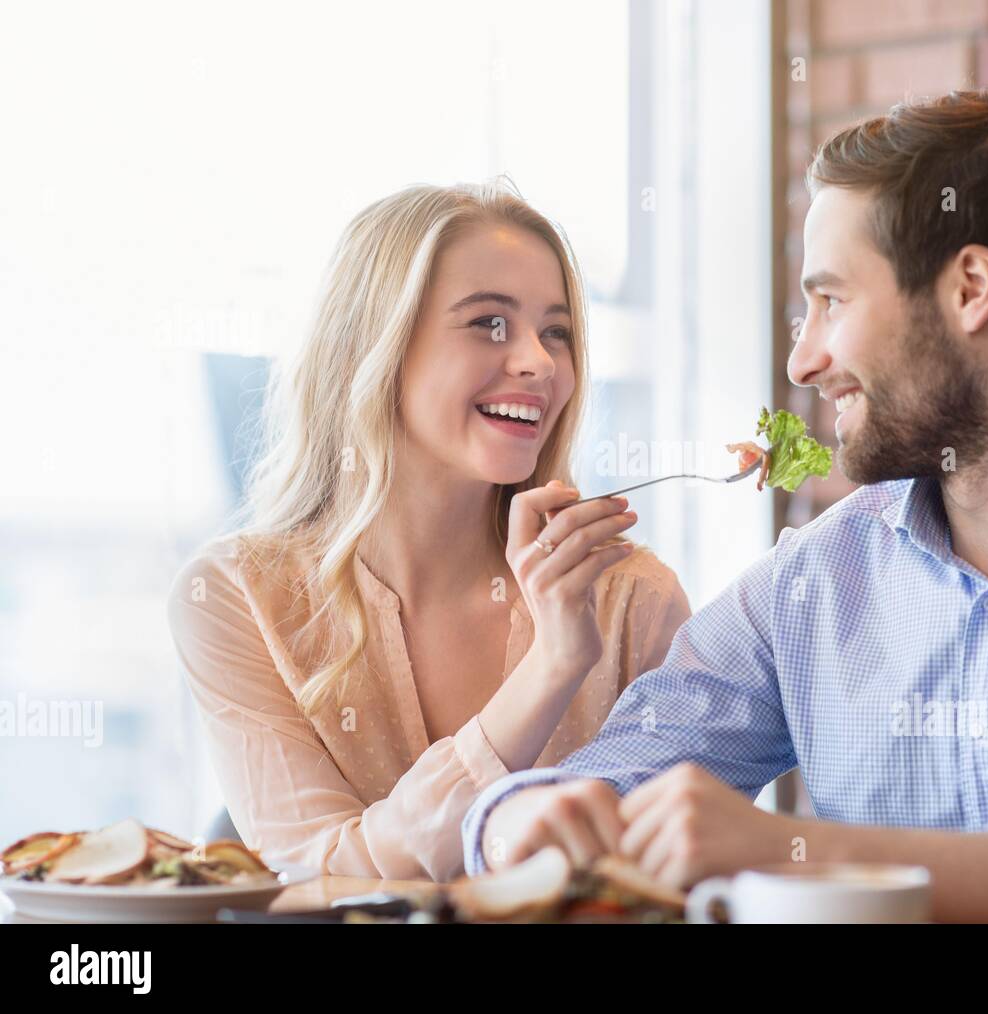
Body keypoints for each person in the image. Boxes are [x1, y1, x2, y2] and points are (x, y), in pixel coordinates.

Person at [461, 85, 988, 923]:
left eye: (831, 301)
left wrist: (795, 854)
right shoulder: (811, 583)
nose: (803, 362)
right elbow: (599, 787)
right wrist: (521, 818)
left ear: (971, 287)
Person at [167, 181, 689, 881]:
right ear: (373, 349)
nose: (538, 360)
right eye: (490, 324)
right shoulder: (235, 599)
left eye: (556, 331)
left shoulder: (632, 602)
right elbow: (317, 882)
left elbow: (663, 879)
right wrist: (551, 667)